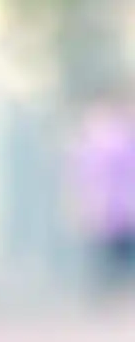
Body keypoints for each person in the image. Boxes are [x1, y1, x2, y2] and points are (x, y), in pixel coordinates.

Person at [67, 91, 135, 293]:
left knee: (116, 256)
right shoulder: (92, 143)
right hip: (106, 208)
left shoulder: (119, 140)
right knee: (105, 256)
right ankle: (109, 293)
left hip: (118, 208)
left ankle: (114, 293)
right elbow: (81, 176)